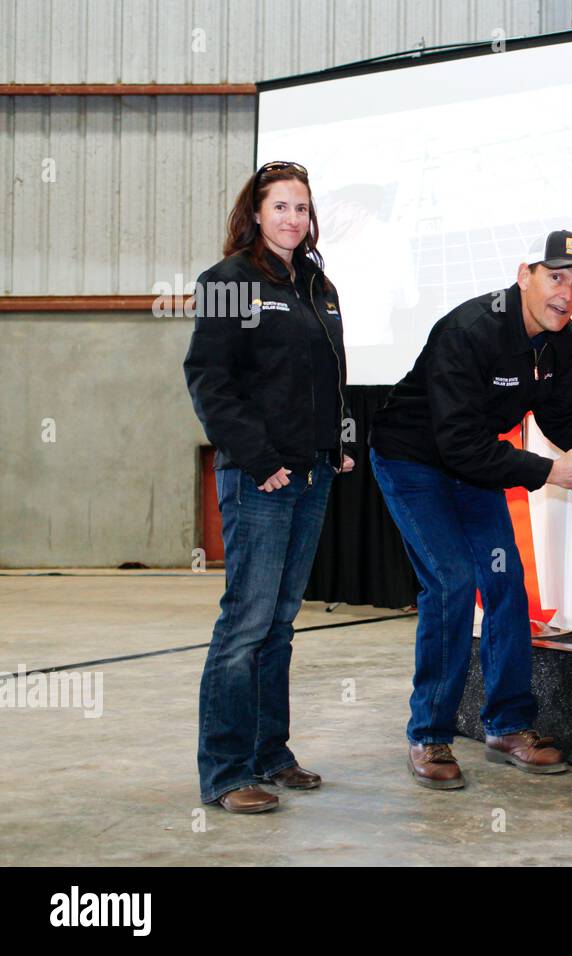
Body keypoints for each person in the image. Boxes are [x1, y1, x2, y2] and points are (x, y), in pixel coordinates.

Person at [369, 230, 572, 790]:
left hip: (475, 465)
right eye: (557, 277)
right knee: (452, 584)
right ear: (524, 274)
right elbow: (458, 442)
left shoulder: (563, 339)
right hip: (413, 461)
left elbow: (568, 419)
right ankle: (429, 733)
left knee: (507, 584)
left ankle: (508, 725)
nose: (567, 293)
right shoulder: (469, 330)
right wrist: (546, 471)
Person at [184, 161, 355, 813]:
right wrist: (258, 459)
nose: (293, 218)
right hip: (261, 476)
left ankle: (270, 754)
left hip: (312, 471)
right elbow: (210, 380)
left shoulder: (317, 285)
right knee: (248, 622)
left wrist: (338, 444)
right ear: (255, 213)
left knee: (280, 623)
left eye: (302, 208)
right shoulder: (228, 282)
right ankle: (228, 771)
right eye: (281, 206)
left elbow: (334, 373)